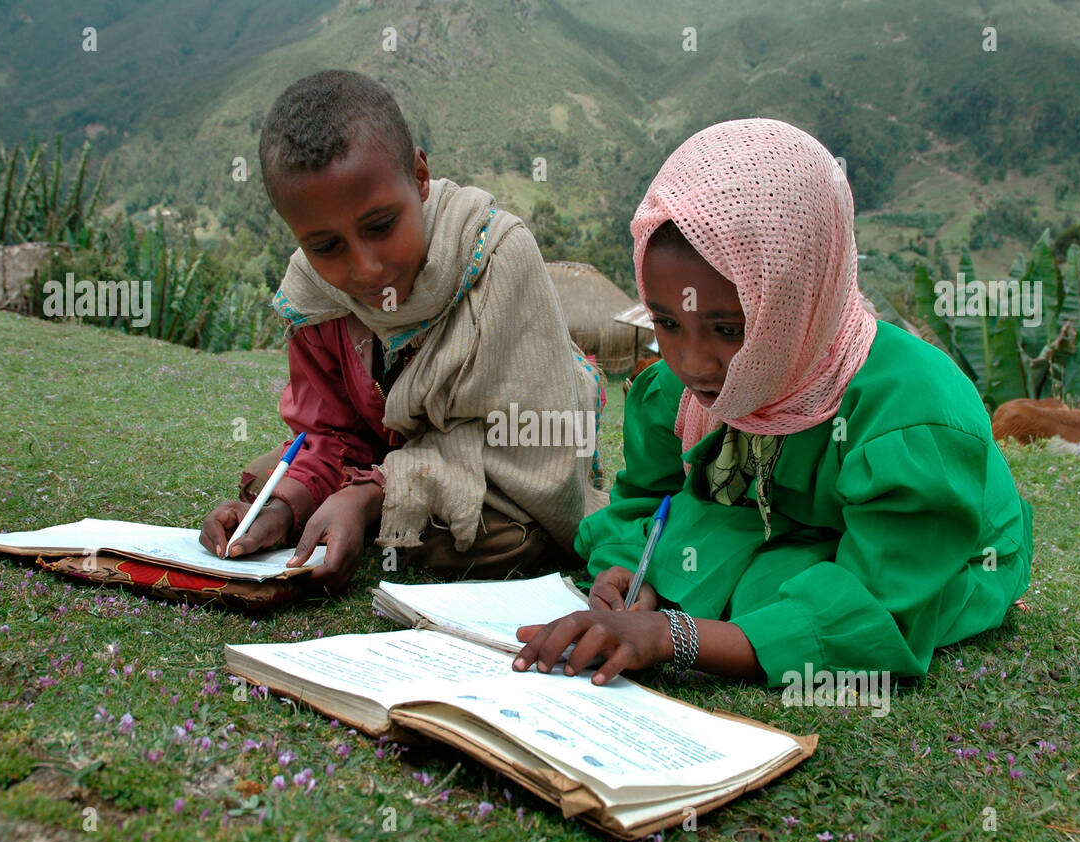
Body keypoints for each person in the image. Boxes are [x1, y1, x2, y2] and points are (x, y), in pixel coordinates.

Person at [513, 118, 1033, 687]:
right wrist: (624, 571)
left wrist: (672, 636)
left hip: (919, 554)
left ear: (795, 298)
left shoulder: (910, 410)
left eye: (729, 329)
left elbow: (880, 608)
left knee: (778, 582)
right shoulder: (674, 395)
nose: (693, 362)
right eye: (666, 322)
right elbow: (644, 505)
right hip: (761, 530)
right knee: (706, 552)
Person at [199, 70, 606, 589]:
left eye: (380, 226)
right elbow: (328, 433)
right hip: (384, 458)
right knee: (268, 482)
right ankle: (340, 515)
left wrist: (373, 495)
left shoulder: (496, 256)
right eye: (326, 246)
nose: (365, 269)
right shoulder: (314, 295)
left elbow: (524, 441)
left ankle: (360, 515)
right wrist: (283, 506)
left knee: (501, 536)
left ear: (418, 176)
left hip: (502, 454)